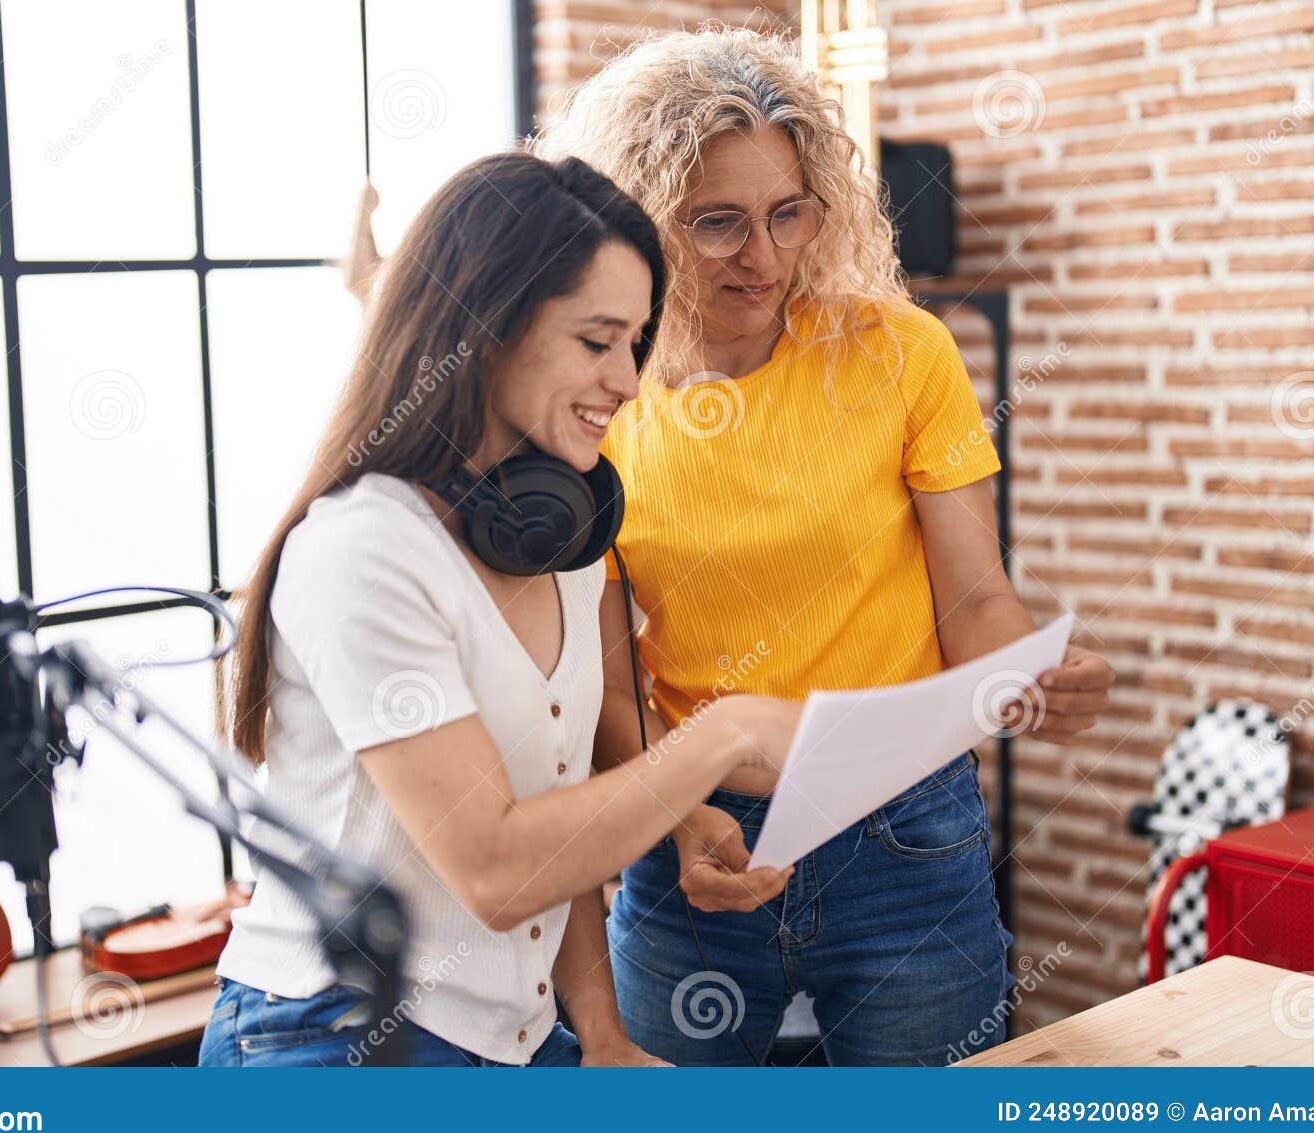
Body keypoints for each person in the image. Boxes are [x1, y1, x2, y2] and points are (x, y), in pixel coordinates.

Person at [530, 27, 1116, 1065]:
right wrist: (674, 820)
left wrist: (1029, 676)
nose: (763, 258)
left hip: (907, 843)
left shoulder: (903, 354)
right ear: (638, 225)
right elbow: (607, 686)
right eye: (716, 224)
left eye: (787, 213)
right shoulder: (595, 397)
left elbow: (975, 598)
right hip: (690, 844)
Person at [198, 151, 801, 1068]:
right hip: (330, 1044)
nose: (629, 382)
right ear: (484, 330)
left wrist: (601, 1031)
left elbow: (555, 817)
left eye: (635, 345)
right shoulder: (365, 549)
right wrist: (719, 740)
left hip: (514, 1043)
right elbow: (497, 868)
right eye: (596, 342)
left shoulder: (557, 536)